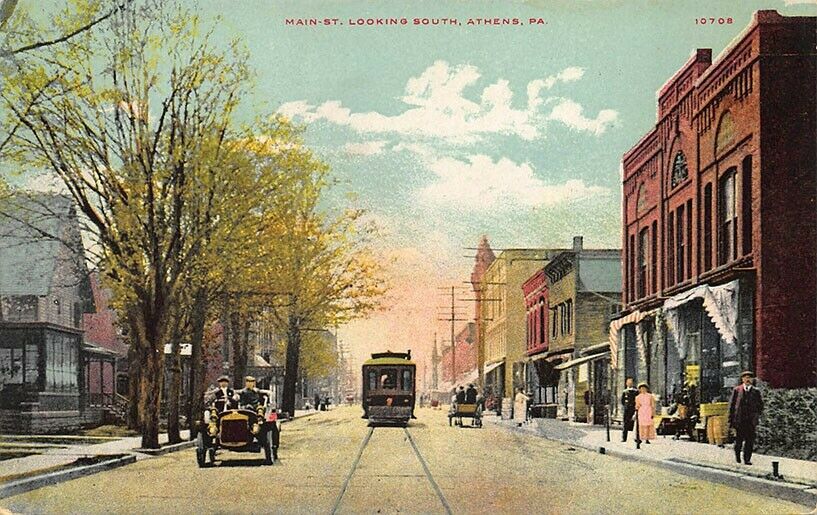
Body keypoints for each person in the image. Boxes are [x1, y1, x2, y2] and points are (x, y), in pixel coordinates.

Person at [729, 371, 763, 465]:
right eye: (745, 378)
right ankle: (737, 457)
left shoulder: (756, 391)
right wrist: (731, 420)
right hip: (739, 420)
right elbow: (732, 406)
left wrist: (756, 416)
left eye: (749, 378)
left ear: (752, 380)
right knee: (739, 440)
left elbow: (760, 406)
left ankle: (747, 459)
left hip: (750, 421)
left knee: (749, 441)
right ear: (742, 379)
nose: (747, 379)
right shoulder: (737, 390)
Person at [620, 377, 637, 442]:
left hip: (633, 409)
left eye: (631, 382)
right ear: (626, 383)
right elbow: (622, 401)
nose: (629, 384)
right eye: (628, 382)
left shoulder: (635, 391)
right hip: (627, 409)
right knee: (625, 424)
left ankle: (636, 438)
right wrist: (625, 406)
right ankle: (624, 438)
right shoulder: (624, 391)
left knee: (635, 424)